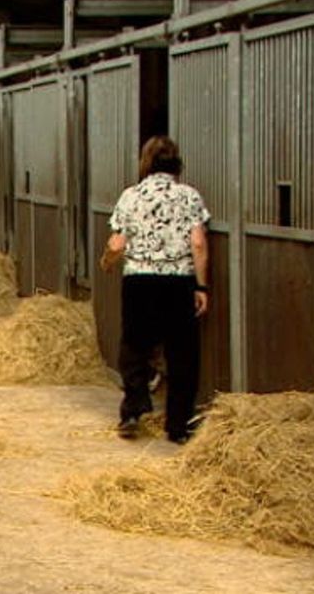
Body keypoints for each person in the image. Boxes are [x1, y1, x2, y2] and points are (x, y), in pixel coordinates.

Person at [98, 136, 210, 444]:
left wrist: (107, 261)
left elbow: (117, 243)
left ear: (145, 162)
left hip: (140, 282)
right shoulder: (189, 197)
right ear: (176, 163)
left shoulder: (131, 196)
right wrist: (201, 285)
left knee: (134, 347)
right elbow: (198, 244)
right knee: (182, 353)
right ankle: (178, 425)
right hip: (178, 282)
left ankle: (133, 410)